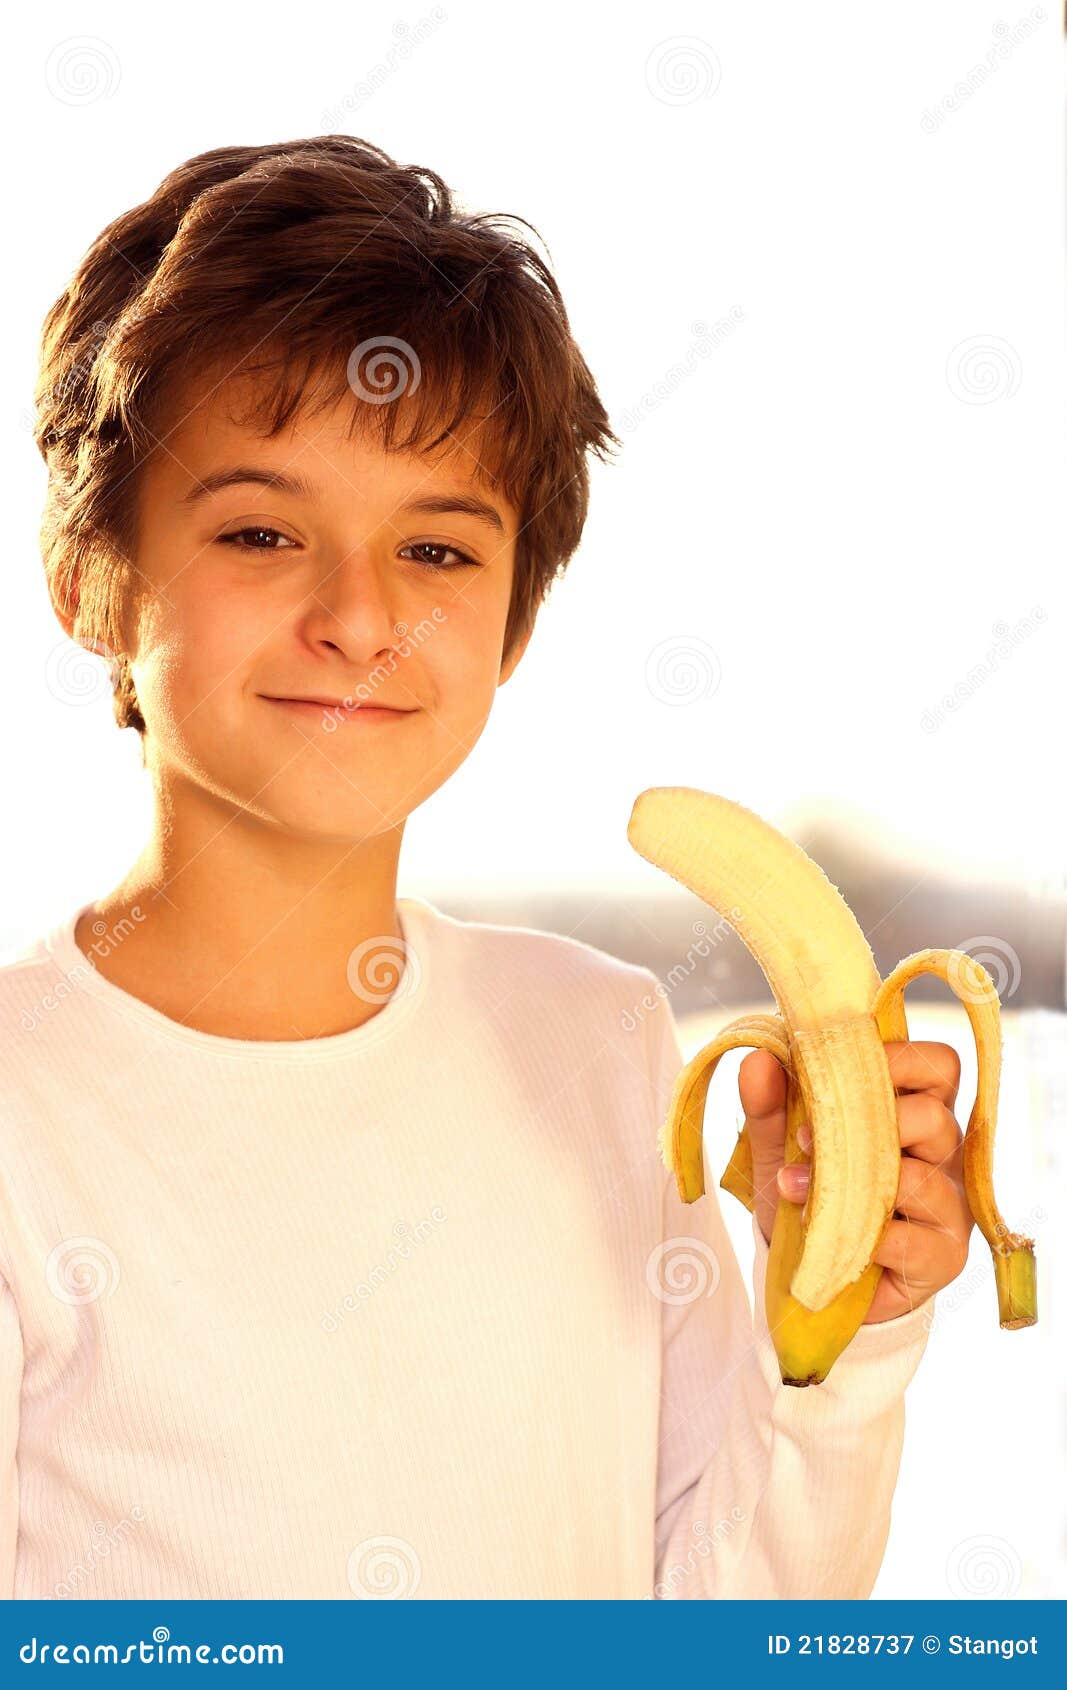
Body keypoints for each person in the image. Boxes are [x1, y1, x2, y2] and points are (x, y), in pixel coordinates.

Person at [0, 135, 971, 1600]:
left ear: (514, 619)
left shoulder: (602, 1041)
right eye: (262, 530)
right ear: (89, 581)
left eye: (439, 553)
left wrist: (836, 1340)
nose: (359, 614)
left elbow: (721, 1623)